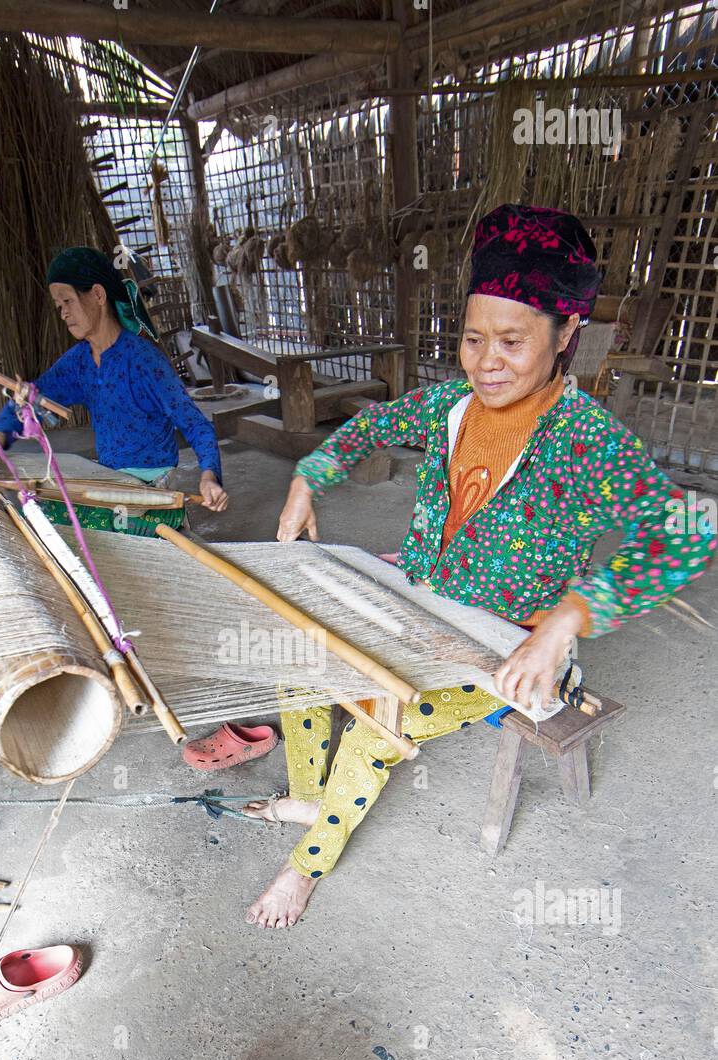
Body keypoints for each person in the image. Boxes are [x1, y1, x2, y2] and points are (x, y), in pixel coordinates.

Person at [242, 203, 716, 928]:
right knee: (301, 654)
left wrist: (565, 621)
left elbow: (692, 527)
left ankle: (303, 869)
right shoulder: (449, 409)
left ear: (565, 337)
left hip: (506, 644)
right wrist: (309, 476)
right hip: (421, 599)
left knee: (377, 717)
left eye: (511, 341)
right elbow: (367, 423)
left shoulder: (585, 440)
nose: (485, 361)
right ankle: (312, 795)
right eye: (470, 338)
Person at [0, 246, 227, 529]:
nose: (63, 313)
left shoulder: (144, 361)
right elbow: (34, 398)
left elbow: (195, 424)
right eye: (59, 306)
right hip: (111, 482)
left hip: (152, 492)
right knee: (42, 510)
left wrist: (208, 475)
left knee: (72, 524)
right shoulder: (80, 362)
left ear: (98, 295)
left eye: (68, 301)